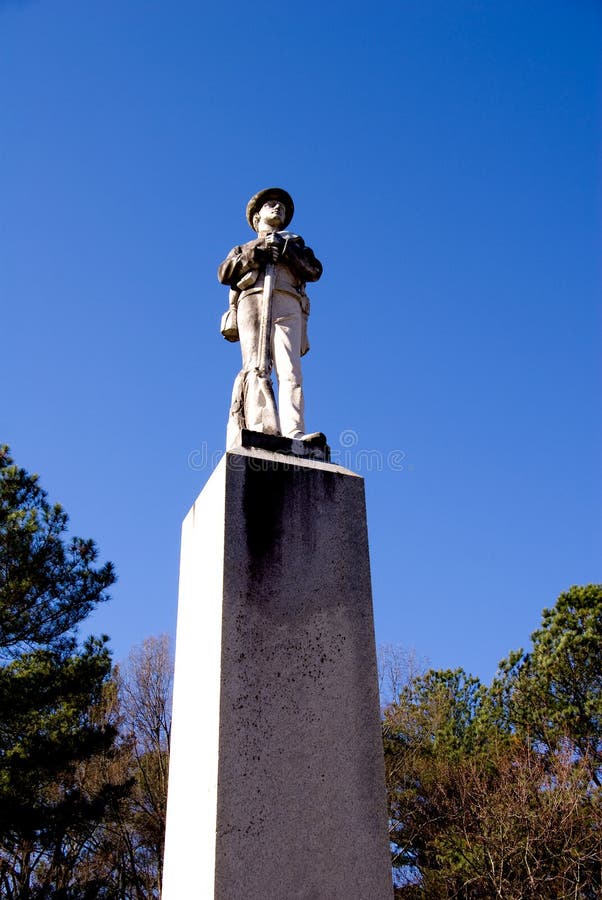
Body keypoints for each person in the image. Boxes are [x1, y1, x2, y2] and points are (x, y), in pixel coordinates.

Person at [218, 188, 322, 446]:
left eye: (281, 206)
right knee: (256, 365)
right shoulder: (243, 247)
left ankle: (294, 431)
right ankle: (261, 426)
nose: (277, 208)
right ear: (257, 217)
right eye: (271, 204)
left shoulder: (296, 244)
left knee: (290, 370)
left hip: (288, 301)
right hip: (252, 300)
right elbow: (224, 273)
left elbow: (314, 270)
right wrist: (258, 251)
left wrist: (286, 251)